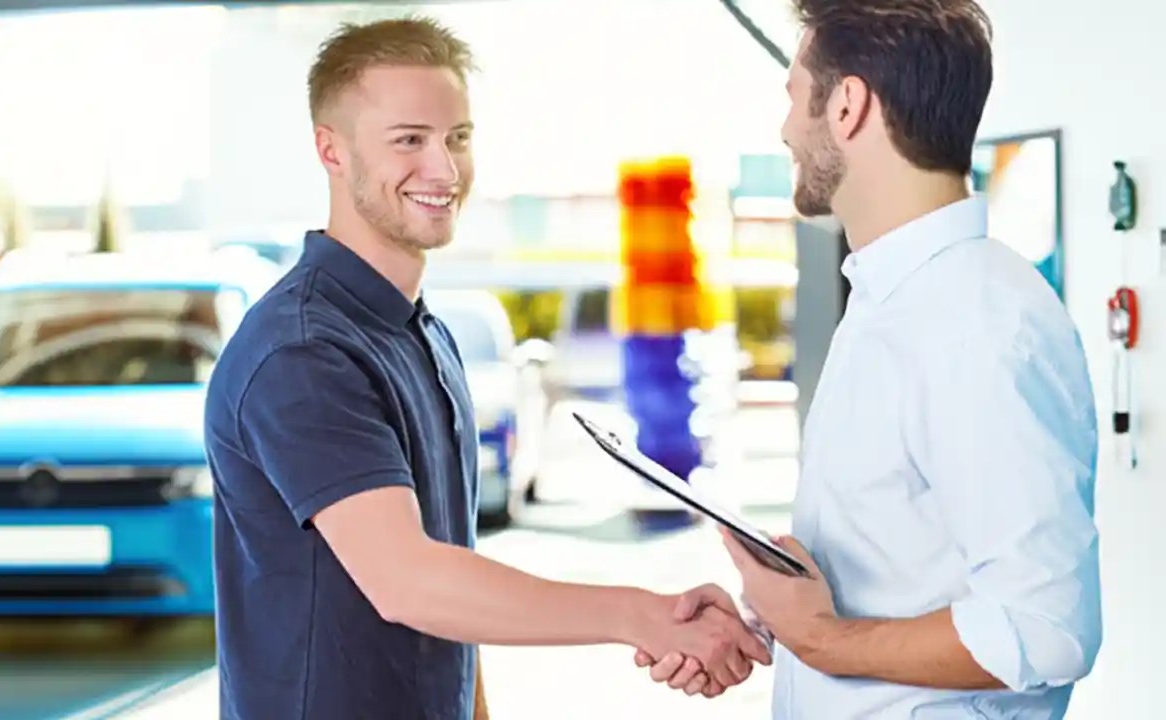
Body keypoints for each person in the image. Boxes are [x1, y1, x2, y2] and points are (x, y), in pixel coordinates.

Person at [203, 16, 770, 720]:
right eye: (409, 140)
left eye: (458, 138)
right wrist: (640, 615)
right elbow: (408, 582)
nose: (444, 169)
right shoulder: (303, 353)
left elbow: (448, 588)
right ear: (332, 150)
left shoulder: (423, 334)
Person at [636, 0, 1102, 717]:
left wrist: (823, 639)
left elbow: (1046, 630)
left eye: (795, 97)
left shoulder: (975, 323)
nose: (786, 128)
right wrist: (769, 618)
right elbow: (904, 568)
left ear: (848, 104)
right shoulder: (896, 299)